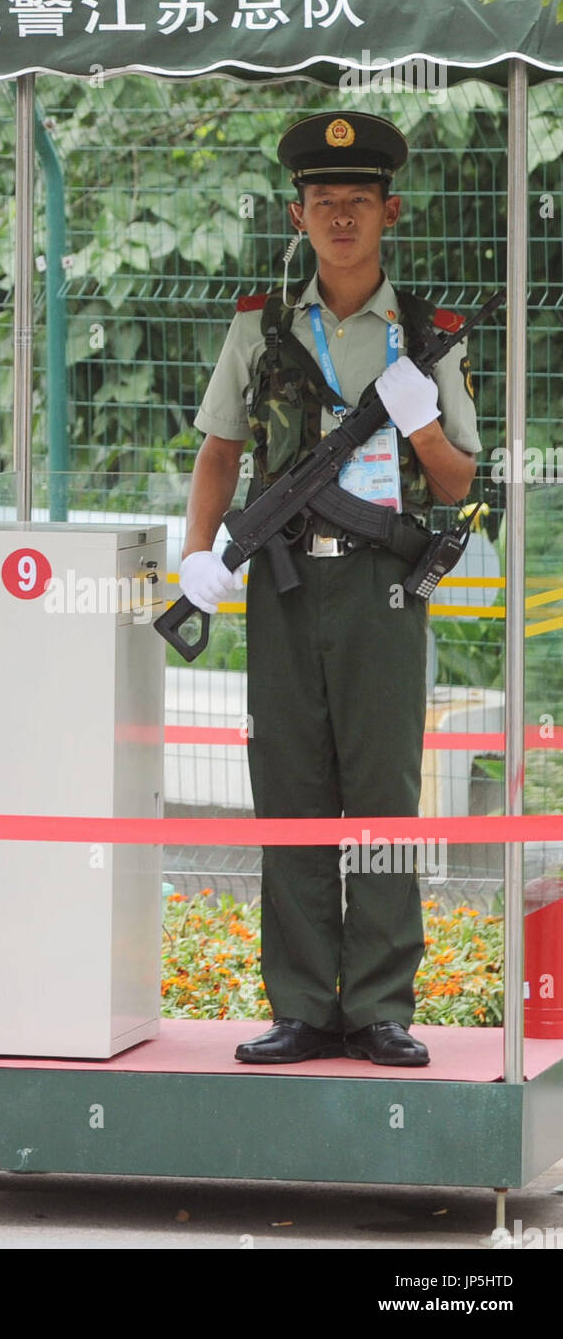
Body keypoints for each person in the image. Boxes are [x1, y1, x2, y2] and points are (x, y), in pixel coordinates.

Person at [179, 113, 481, 1067]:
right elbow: (219, 452)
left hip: (384, 591)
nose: (340, 218)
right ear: (296, 213)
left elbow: (459, 482)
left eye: (358, 202)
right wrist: (199, 560)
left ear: (388, 212)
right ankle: (304, 1003)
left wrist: (421, 421)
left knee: (384, 791)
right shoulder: (260, 326)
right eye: (323, 203)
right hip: (281, 583)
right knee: (292, 790)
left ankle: (382, 1003)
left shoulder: (428, 333)